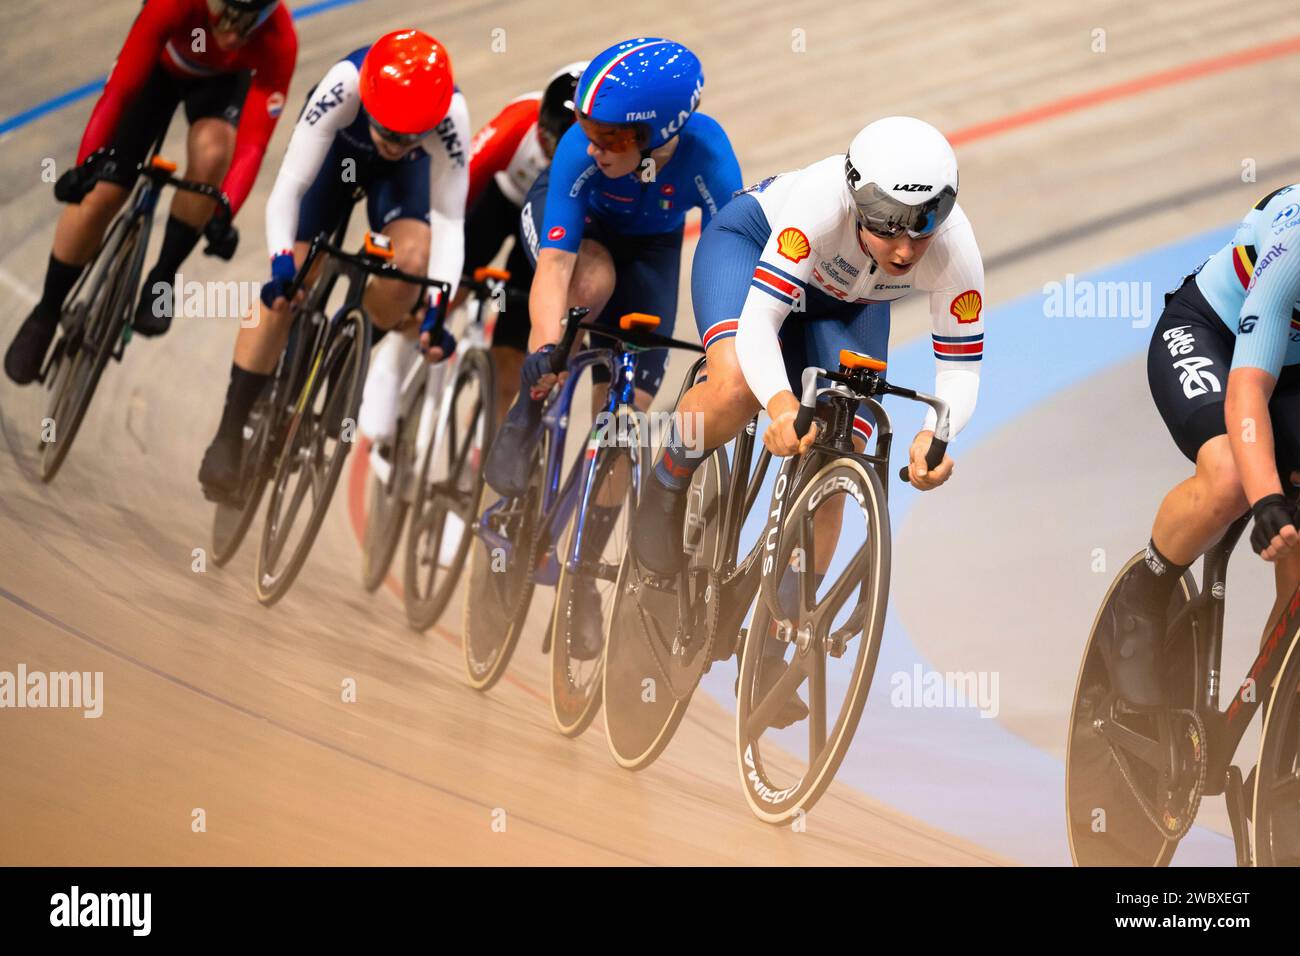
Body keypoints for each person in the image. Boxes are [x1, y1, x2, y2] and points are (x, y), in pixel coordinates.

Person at [630, 116, 985, 724]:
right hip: (750, 251)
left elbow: (960, 365)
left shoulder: (955, 248)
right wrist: (780, 404)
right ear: (857, 201)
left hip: (845, 305)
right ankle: (666, 479)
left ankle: (774, 640)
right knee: (736, 388)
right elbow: (762, 324)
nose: (904, 251)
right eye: (887, 229)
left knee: (843, 454)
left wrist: (938, 434)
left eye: (921, 229)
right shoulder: (819, 208)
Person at [481, 36, 744, 658]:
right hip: (577, 230)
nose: (593, 145)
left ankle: (583, 580)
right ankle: (526, 416)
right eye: (586, 128)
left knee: (627, 424)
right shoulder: (580, 153)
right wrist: (546, 350)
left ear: (659, 135)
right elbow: (554, 268)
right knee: (588, 286)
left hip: (651, 251)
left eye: (612, 137)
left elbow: (723, 262)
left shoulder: (709, 157)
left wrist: (725, 347)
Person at [196, 28, 469, 500]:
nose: (396, 141)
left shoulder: (450, 116)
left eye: (409, 136)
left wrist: (437, 309)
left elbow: (448, 220)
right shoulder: (345, 83)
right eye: (388, 131)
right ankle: (229, 430)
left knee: (411, 261)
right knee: (293, 277)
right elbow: (290, 187)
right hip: (335, 156)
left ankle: (350, 348)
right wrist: (283, 261)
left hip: (401, 180)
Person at [5, 0, 297, 385]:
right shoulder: (174, 4)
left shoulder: (279, 39)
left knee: (212, 156)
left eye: (244, 27)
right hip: (158, 68)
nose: (229, 35)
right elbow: (120, 92)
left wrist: (224, 210)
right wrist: (86, 164)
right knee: (101, 195)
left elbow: (252, 145)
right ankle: (46, 311)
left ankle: (162, 279)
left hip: (220, 87)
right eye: (225, 19)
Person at [1100, 185, 1300, 709]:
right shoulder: (1293, 243)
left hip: (1292, 371)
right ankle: (1143, 596)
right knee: (1233, 479)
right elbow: (1249, 390)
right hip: (1213, 335)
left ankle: (1280, 739)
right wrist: (1267, 501)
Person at [456, 60, 587, 419]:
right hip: (500, 202)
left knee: (510, 362)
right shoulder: (519, 120)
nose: (545, 149)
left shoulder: (594, 158)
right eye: (543, 139)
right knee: (449, 286)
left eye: (555, 147)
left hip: (549, 223)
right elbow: (457, 185)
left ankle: (485, 441)